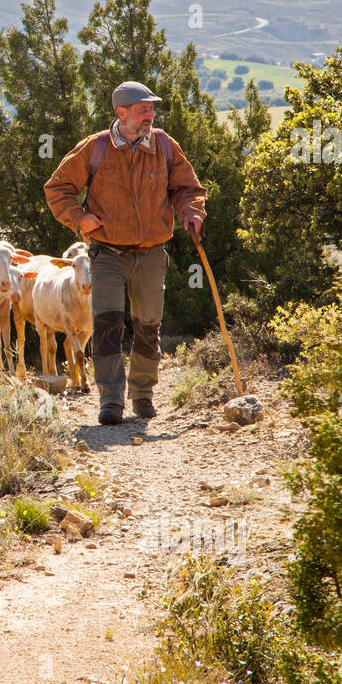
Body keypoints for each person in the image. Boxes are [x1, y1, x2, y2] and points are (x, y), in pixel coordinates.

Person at [43, 81, 207, 426]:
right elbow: (57, 189)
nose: (150, 115)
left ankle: (143, 395)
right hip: (106, 253)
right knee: (106, 326)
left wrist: (191, 212)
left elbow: (187, 188)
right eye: (143, 109)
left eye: (151, 109)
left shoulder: (164, 145)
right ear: (122, 113)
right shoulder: (95, 148)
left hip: (150, 253)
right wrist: (80, 217)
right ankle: (111, 399)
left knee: (148, 326)